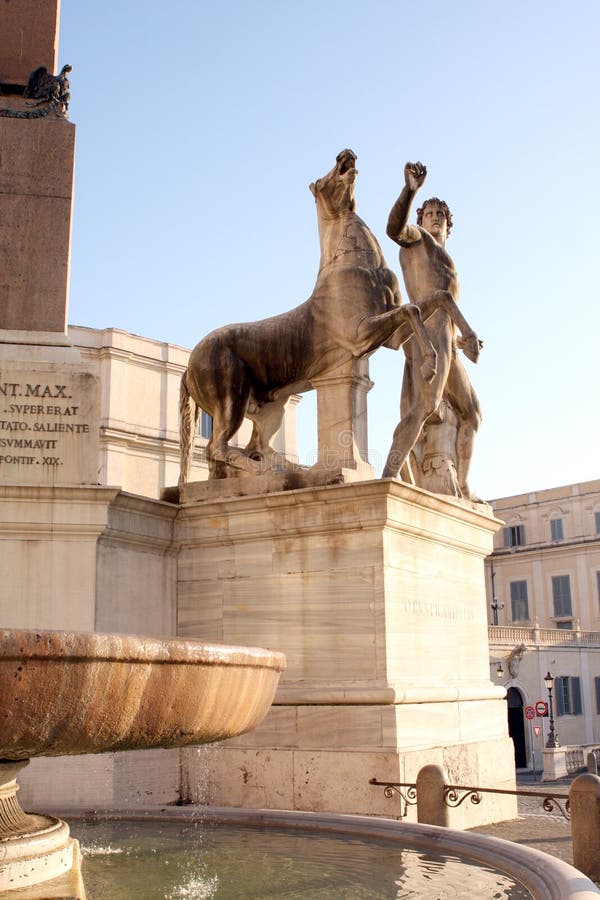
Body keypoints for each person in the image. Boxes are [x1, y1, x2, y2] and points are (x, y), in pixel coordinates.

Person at [382, 162, 481, 500]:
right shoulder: (418, 241)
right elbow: (394, 228)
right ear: (421, 220)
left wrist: (462, 339)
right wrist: (411, 191)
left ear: (449, 227)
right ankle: (389, 475)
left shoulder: (447, 260)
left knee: (473, 415)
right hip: (427, 338)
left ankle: (464, 486)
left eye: (441, 215)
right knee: (423, 410)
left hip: (447, 344)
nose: (435, 218)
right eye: (430, 213)